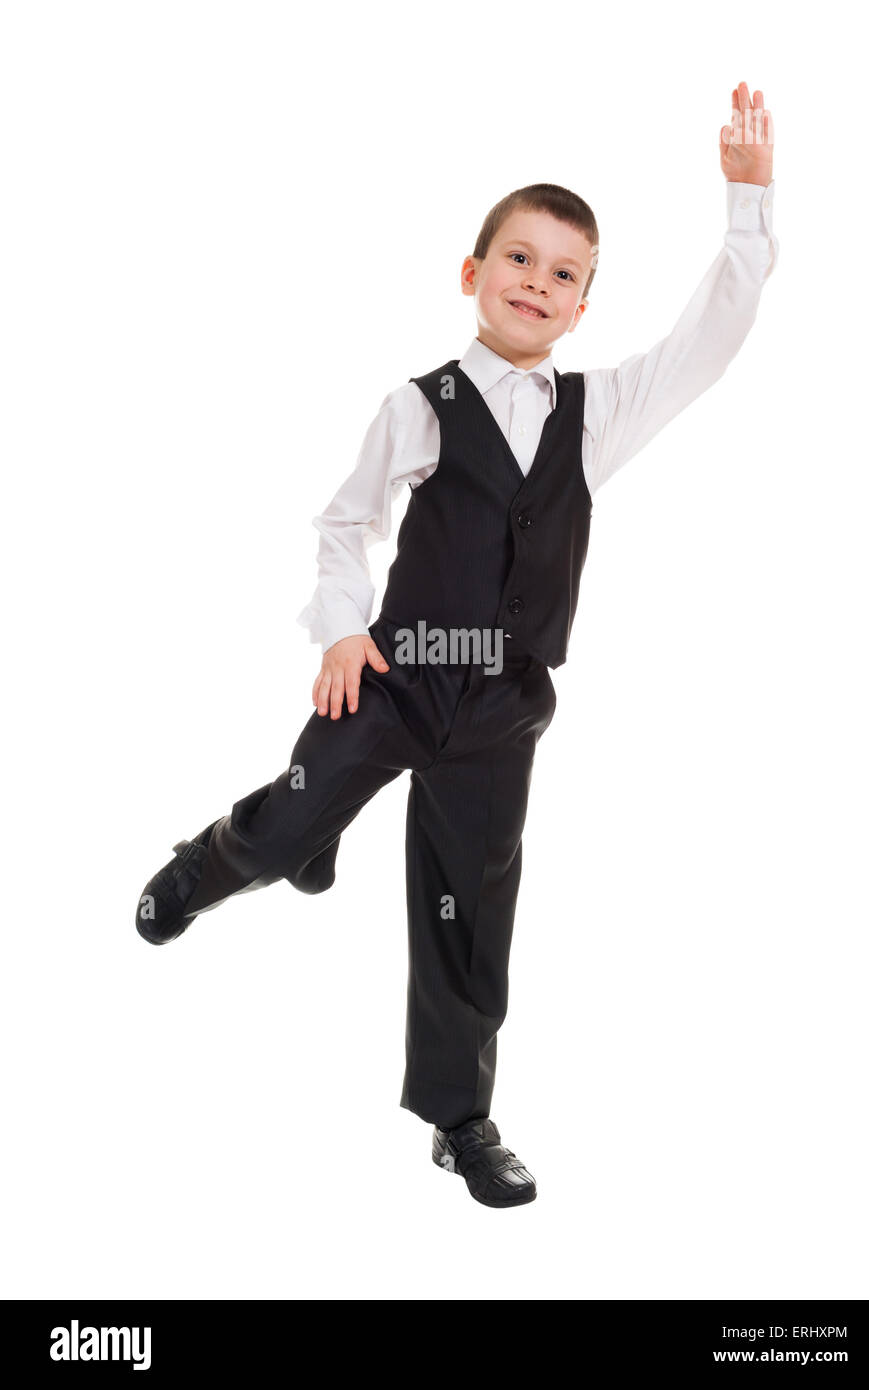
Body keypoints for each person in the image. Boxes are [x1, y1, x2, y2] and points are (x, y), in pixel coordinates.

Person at [135, 82, 778, 1209]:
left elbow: (708, 341)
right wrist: (340, 631)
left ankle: (458, 1115)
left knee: (467, 909)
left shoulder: (601, 413)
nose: (538, 282)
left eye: (564, 274)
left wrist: (745, 203)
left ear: (582, 307)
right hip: (392, 679)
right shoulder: (418, 405)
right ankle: (214, 860)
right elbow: (344, 523)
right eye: (518, 259)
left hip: (498, 710)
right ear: (471, 273)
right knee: (294, 817)